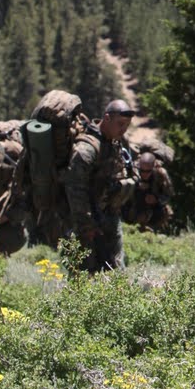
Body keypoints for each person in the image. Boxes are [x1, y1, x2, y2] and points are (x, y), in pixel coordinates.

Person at [64, 98, 138, 269]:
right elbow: (75, 189)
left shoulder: (116, 142)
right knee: (83, 274)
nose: (123, 129)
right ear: (107, 118)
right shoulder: (87, 149)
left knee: (115, 271)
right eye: (120, 124)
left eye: (127, 125)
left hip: (110, 216)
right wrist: (86, 225)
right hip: (84, 222)